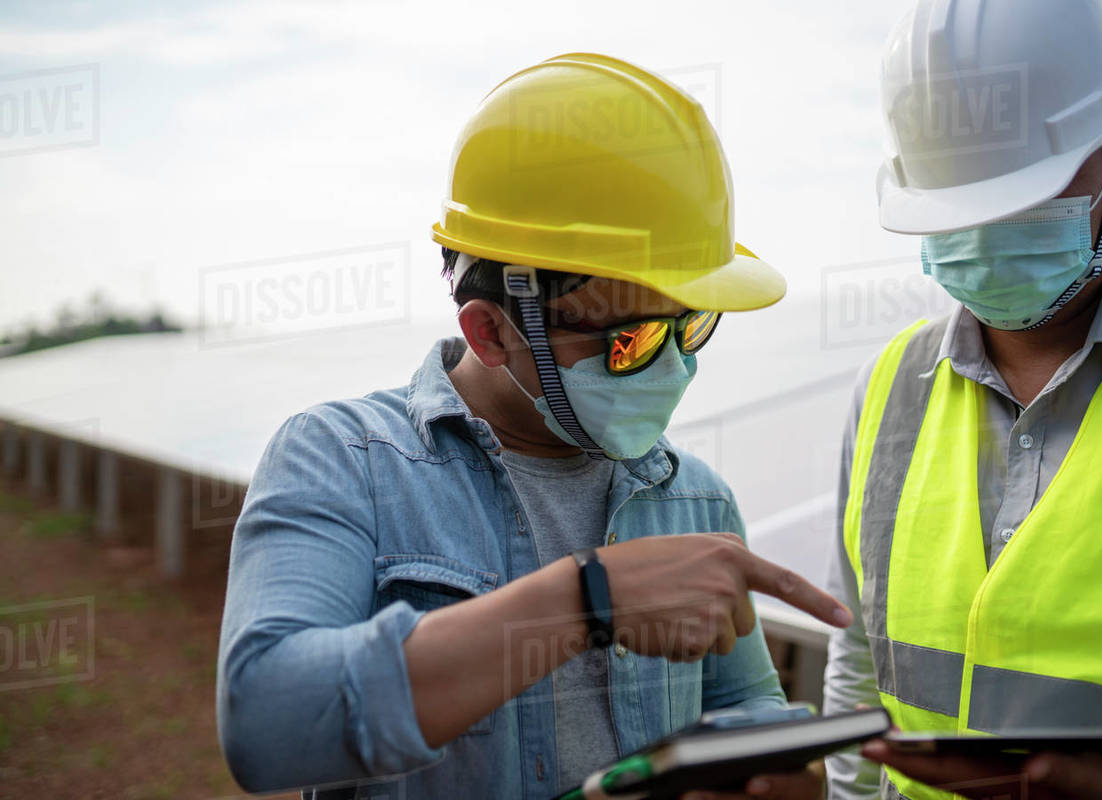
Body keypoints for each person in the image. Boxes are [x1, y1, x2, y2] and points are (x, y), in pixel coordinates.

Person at [216, 53, 850, 800]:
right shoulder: (342, 461)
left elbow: (745, 716)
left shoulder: (697, 501)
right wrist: (587, 601)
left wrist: (779, 773)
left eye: (693, 326)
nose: (676, 369)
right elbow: (265, 724)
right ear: (489, 331)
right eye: (630, 342)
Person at [822, 1, 1102, 798]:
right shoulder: (887, 388)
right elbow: (859, 666)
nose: (986, 231)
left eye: (1020, 197)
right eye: (958, 209)